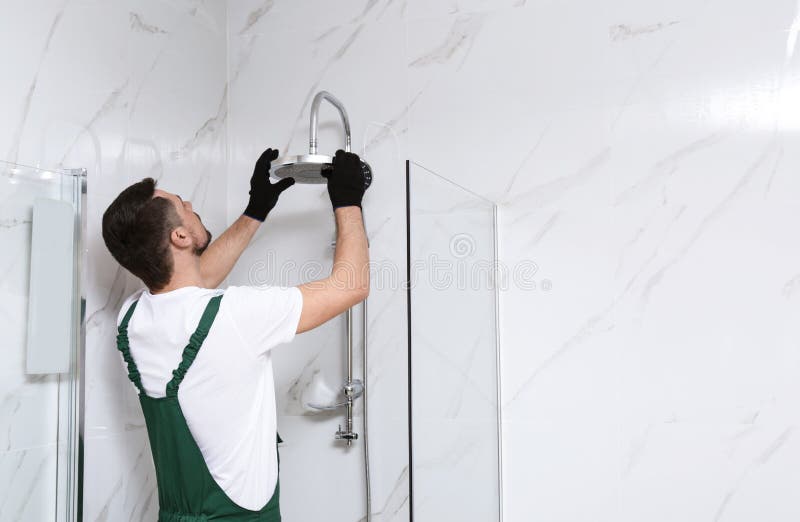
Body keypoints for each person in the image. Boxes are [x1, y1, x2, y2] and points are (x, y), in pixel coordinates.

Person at [101, 148, 369, 521]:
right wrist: (348, 201)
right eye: (182, 204)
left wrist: (255, 210)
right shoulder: (234, 315)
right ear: (180, 236)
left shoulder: (132, 318)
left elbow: (197, 280)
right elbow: (350, 286)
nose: (190, 204)